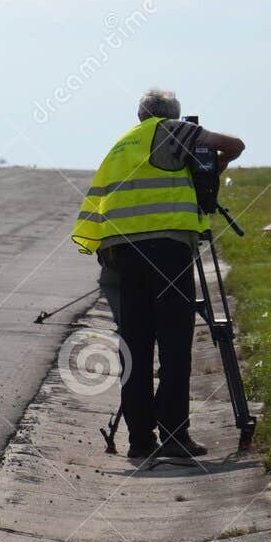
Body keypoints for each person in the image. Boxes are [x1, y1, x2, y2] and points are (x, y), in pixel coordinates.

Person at [71, 90, 245, 461]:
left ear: (139, 115)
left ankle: (140, 440)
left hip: (121, 253)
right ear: (173, 116)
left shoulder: (122, 144)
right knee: (174, 342)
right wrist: (216, 166)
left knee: (134, 345)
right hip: (166, 249)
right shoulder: (172, 131)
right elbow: (235, 144)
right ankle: (175, 435)